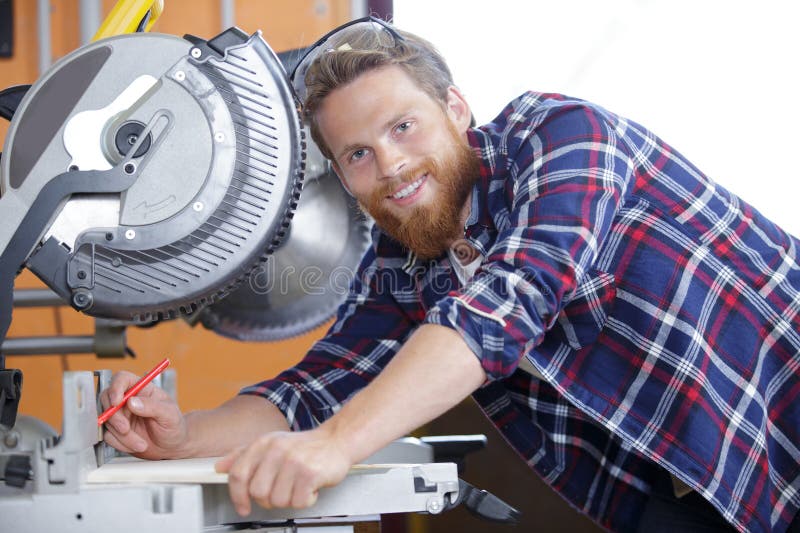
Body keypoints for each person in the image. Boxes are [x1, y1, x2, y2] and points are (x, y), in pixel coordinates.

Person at [100, 16, 800, 532]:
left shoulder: (564, 136)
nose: (391, 166)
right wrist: (186, 435)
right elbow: (313, 387)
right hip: (690, 494)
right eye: (359, 155)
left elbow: (509, 302)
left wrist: (339, 444)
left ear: (456, 109)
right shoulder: (406, 261)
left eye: (404, 127)